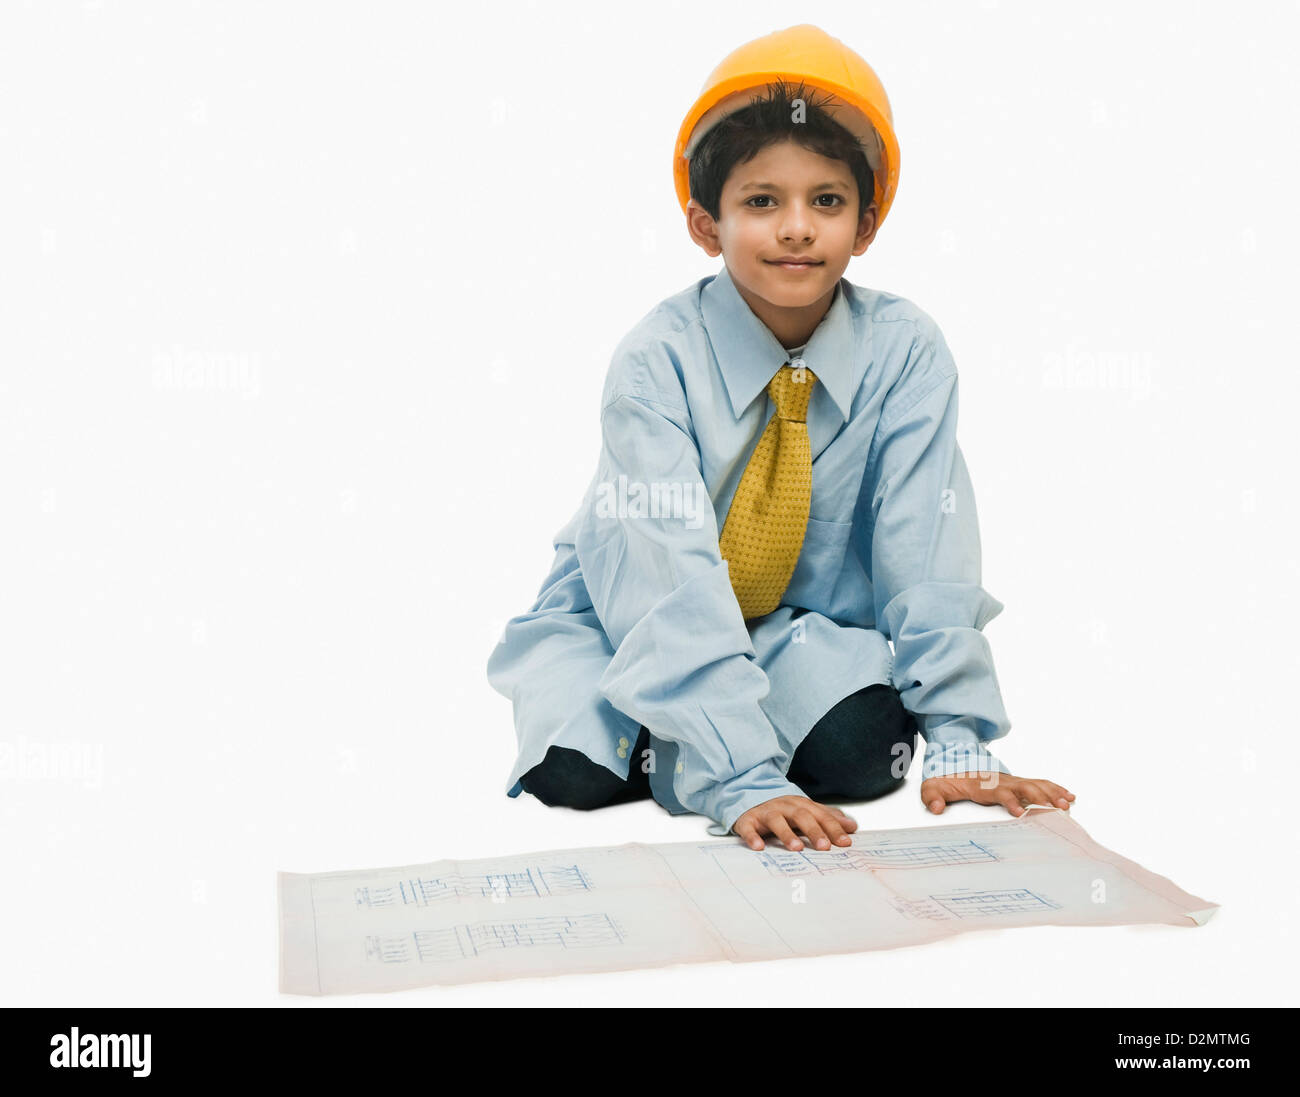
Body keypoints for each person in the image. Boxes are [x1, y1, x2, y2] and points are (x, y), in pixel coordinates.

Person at [487, 24, 1074, 853]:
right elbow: (665, 575)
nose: (796, 228)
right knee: (575, 773)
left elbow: (927, 545)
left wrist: (955, 731)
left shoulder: (906, 350)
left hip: (797, 627)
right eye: (762, 201)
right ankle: (691, 737)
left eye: (826, 201)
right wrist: (739, 777)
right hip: (630, 616)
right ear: (705, 222)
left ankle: (699, 734)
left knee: (865, 753)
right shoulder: (655, 362)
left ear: (865, 225)